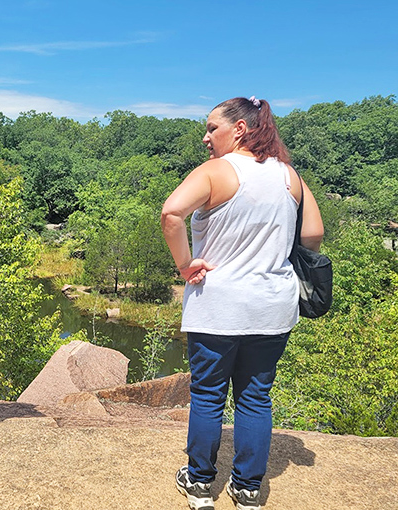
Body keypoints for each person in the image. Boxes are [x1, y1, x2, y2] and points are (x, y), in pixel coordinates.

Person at [161, 97, 324, 510]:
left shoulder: (217, 171)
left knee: (208, 394)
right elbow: (314, 235)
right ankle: (248, 488)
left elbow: (171, 214)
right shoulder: (289, 176)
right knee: (255, 397)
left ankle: (199, 484)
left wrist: (185, 264)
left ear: (240, 129)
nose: (205, 136)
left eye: (212, 127)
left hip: (218, 306)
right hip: (272, 306)